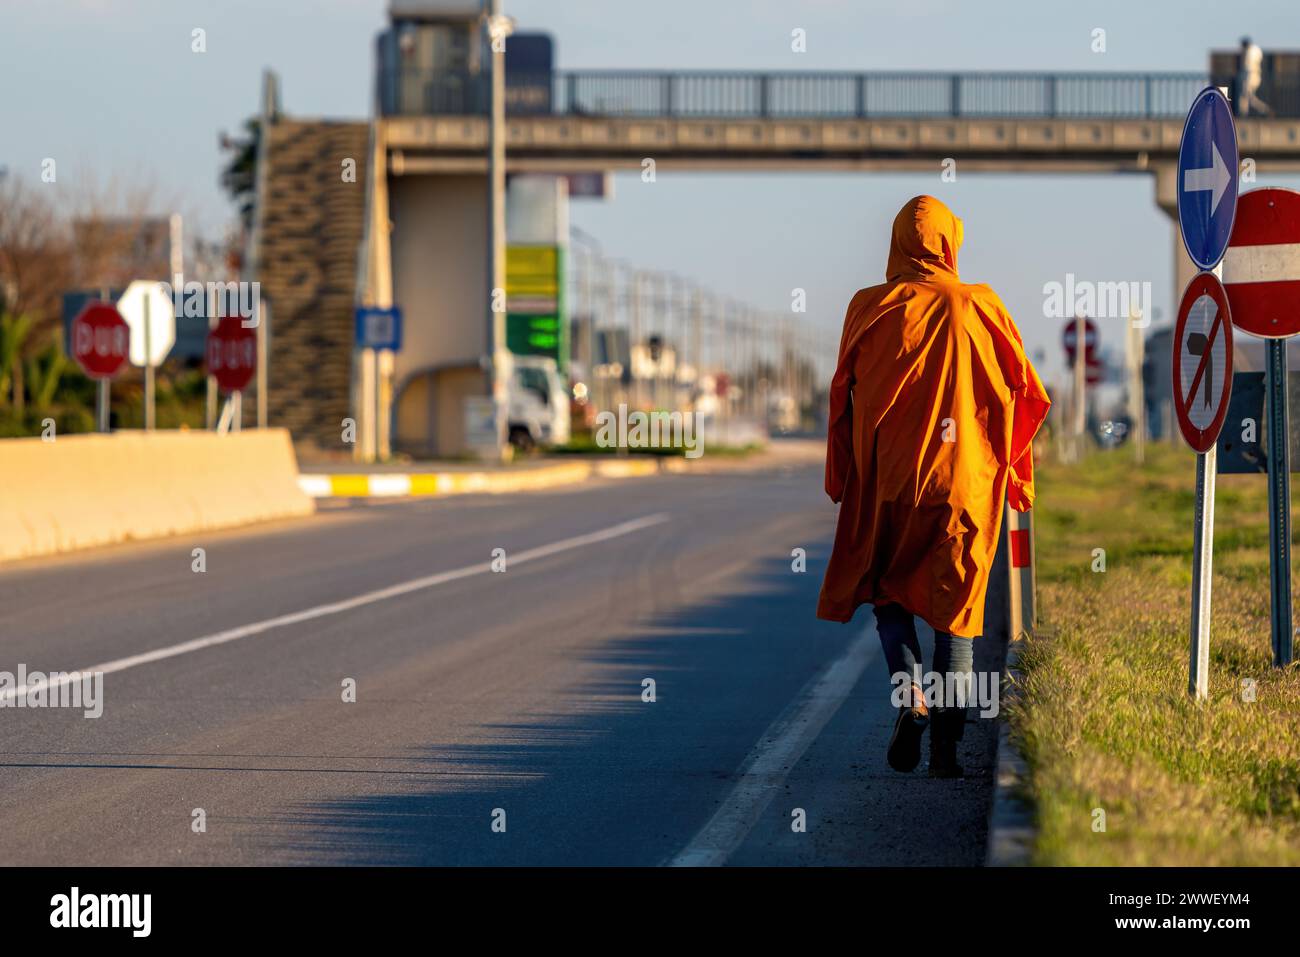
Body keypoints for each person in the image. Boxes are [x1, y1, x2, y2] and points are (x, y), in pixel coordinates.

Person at [817, 195, 1050, 777]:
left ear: (897, 242)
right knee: (958, 616)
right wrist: (1015, 470)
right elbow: (1026, 392)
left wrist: (841, 475)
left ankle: (911, 697)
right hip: (963, 492)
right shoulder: (982, 307)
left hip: (890, 484)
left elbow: (839, 398)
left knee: (887, 594)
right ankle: (946, 753)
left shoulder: (867, 308)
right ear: (950, 243)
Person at [1236, 37, 1268, 117]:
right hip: (1257, 76)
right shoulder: (1257, 50)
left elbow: (1245, 65)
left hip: (1249, 76)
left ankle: (1263, 109)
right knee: (1247, 96)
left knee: (1247, 96)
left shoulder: (1248, 52)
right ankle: (1244, 113)